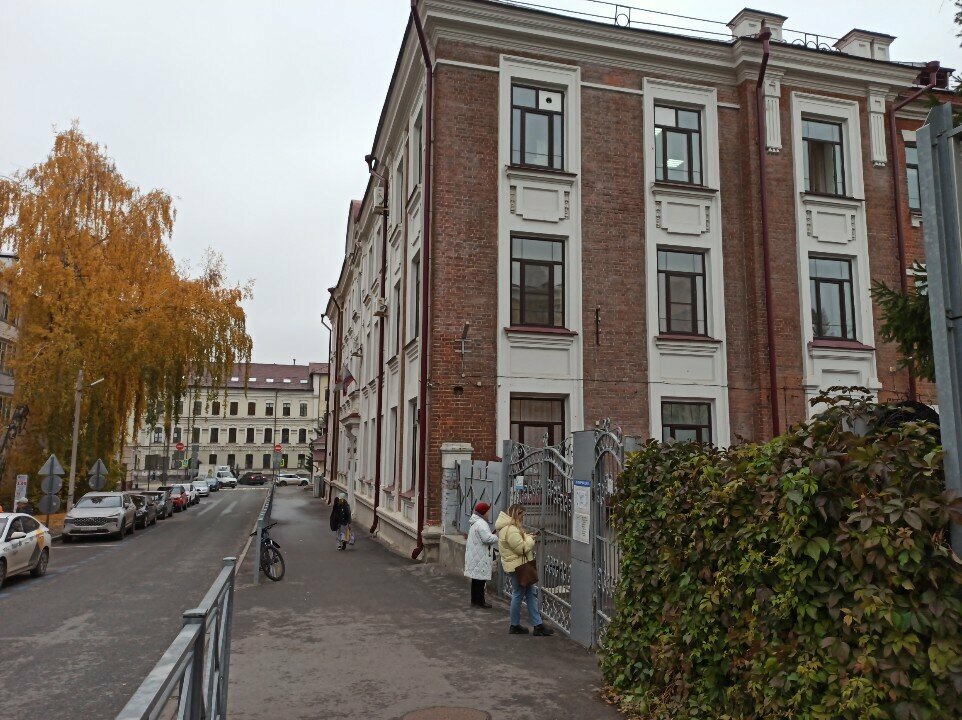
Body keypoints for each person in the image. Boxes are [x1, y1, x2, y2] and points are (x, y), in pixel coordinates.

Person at [495, 503, 554, 636]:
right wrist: (530, 540)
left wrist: (527, 537)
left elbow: (518, 544)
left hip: (517, 566)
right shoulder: (511, 529)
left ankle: (537, 625)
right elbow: (521, 549)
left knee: (529, 593)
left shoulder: (509, 528)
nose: (523, 518)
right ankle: (515, 625)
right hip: (519, 567)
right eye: (522, 515)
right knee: (519, 594)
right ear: (517, 514)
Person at [463, 502, 499, 608]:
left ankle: (474, 600)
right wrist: (497, 537)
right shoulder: (481, 523)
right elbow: (487, 539)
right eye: (488, 511)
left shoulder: (475, 522)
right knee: (480, 580)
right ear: (483, 512)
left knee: (476, 580)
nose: (489, 513)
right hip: (481, 556)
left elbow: (482, 536)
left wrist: (490, 534)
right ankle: (480, 601)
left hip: (476, 555)